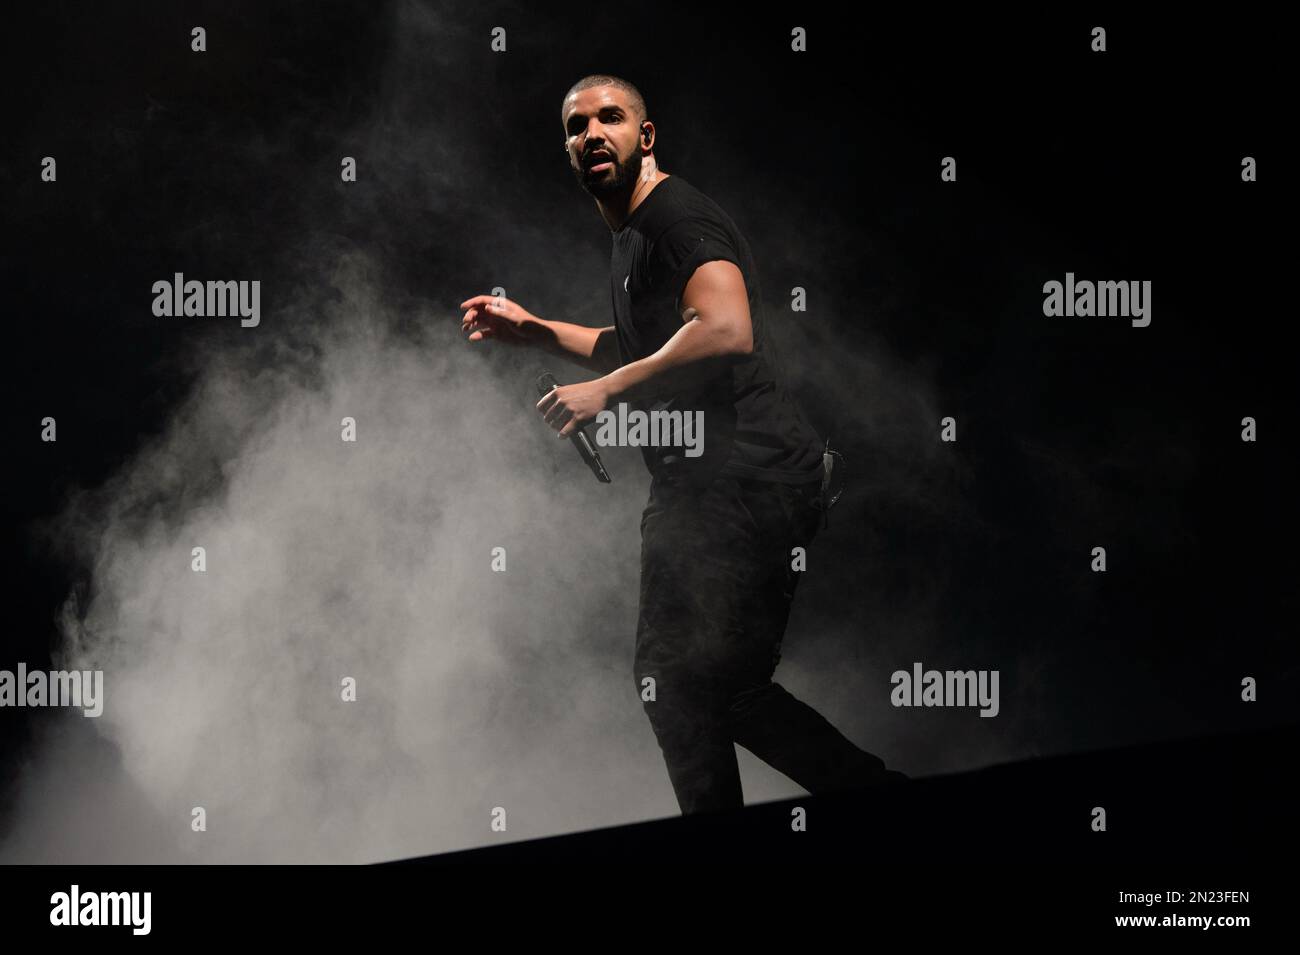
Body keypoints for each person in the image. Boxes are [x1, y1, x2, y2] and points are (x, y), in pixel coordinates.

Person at [458, 74, 906, 814]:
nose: (592, 134)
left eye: (610, 118)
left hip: (743, 481)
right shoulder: (632, 231)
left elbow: (725, 329)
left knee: (673, 679)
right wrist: (534, 330)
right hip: (727, 481)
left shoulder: (674, 219)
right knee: (718, 689)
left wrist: (605, 393)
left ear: (647, 134)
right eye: (577, 126)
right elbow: (644, 342)